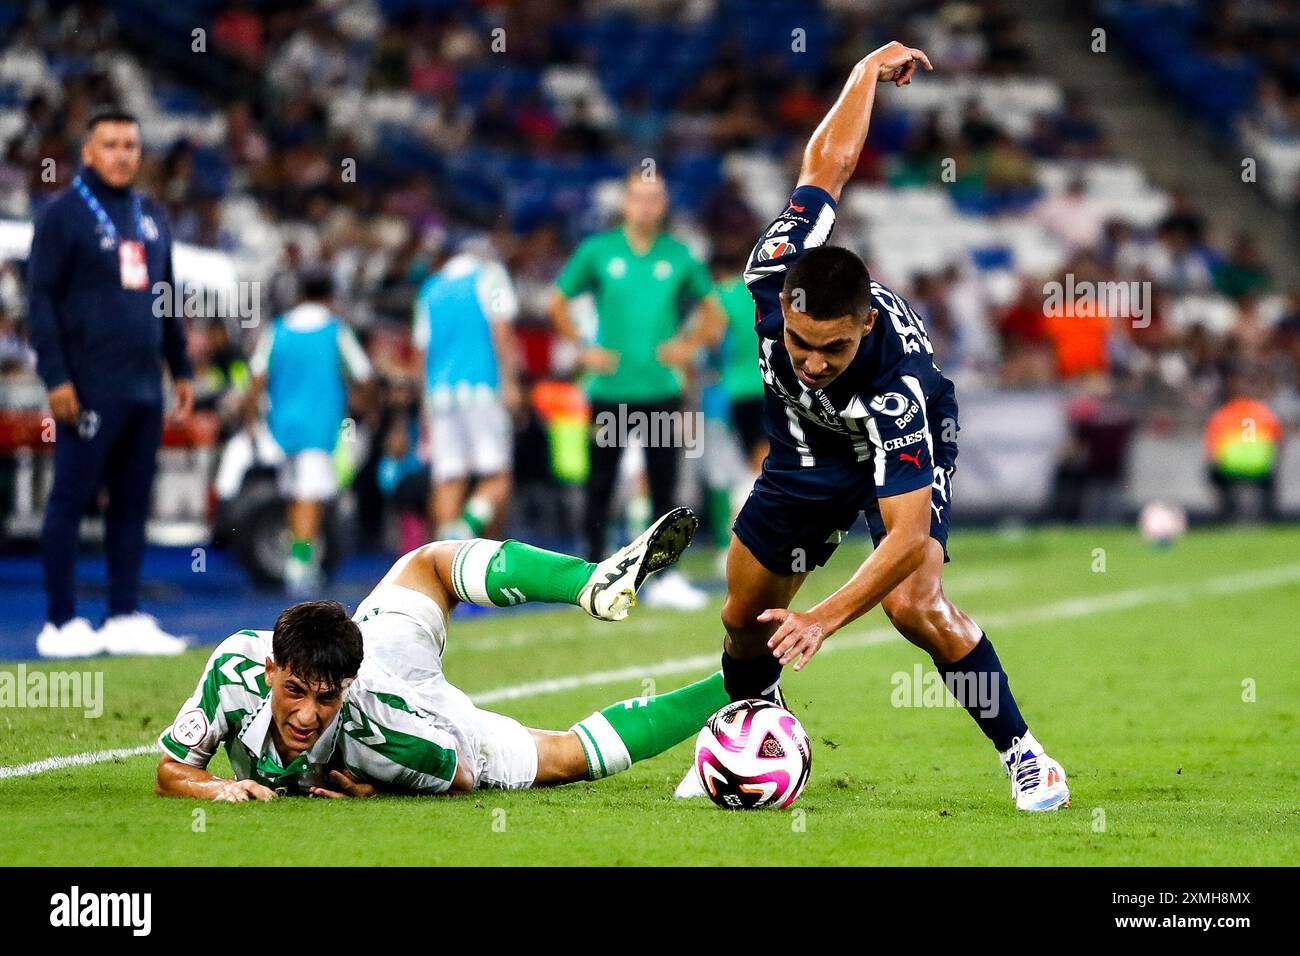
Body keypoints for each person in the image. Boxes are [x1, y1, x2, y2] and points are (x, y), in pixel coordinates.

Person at [675, 42, 1069, 812]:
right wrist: (861, 75)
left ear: (862, 326)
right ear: (782, 308)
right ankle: (754, 730)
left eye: (833, 348)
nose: (813, 362)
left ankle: (1024, 753)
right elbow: (827, 167)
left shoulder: (898, 388)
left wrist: (822, 619)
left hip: (895, 446)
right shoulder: (773, 269)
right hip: (804, 449)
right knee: (742, 617)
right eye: (798, 345)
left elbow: (906, 537)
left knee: (912, 602)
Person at [153, 509, 723, 799]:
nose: (305, 715)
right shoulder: (234, 668)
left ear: (343, 690)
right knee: (426, 563)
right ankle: (735, 681)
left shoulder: (390, 737)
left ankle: (599, 587)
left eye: (322, 700)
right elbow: (172, 769)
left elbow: (462, 777)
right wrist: (216, 787)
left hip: (410, 701)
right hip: (359, 645)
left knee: (565, 758)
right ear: (271, 669)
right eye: (294, 691)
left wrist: (379, 788)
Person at [27, 107, 194, 658]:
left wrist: (183, 368)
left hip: (145, 389)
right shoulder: (63, 215)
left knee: (131, 502)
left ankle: (123, 614)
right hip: (87, 387)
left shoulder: (150, 215)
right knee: (71, 500)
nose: (123, 154)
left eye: (131, 145)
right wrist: (55, 376)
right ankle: (60, 621)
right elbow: (41, 301)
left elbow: (166, 300)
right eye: (111, 144)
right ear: (89, 153)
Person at [549, 169, 724, 609]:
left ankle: (663, 578)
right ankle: (589, 575)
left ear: (664, 205)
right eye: (639, 198)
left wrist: (686, 346)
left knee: (665, 488)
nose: (647, 205)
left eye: (655, 198)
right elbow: (556, 301)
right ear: (625, 203)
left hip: (662, 389)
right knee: (600, 484)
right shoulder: (598, 251)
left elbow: (714, 313)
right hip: (610, 389)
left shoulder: (679, 255)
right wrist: (583, 350)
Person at [245, 268, 373, 593]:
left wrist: (250, 423)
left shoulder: (277, 330)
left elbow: (256, 378)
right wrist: (364, 406)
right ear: (330, 296)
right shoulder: (335, 330)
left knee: (293, 495)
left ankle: (298, 558)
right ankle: (300, 565)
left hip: (281, 426)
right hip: (319, 426)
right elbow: (363, 373)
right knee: (310, 496)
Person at [413, 239, 522, 541]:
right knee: (498, 477)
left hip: (439, 396)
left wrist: (424, 405)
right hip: (482, 389)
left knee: (449, 478)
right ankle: (467, 526)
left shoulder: (430, 289)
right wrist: (511, 382)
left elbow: (420, 353)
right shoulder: (490, 277)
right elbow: (501, 331)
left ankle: (447, 550)